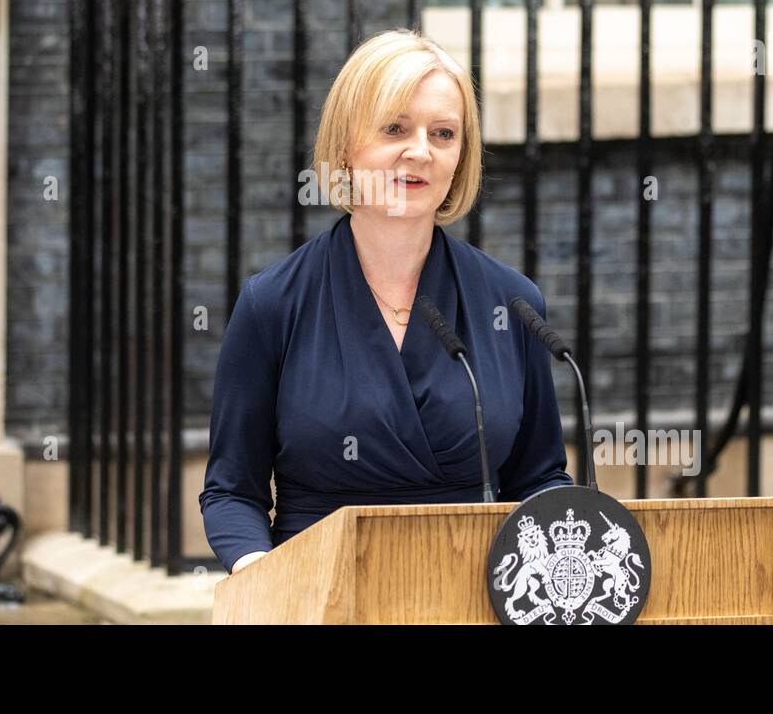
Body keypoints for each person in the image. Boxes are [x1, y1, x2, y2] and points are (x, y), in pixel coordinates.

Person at [198, 28, 574, 575]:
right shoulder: (273, 304)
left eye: (443, 134)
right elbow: (232, 491)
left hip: (476, 593)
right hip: (323, 595)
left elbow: (540, 479)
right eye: (395, 127)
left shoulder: (512, 303)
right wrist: (262, 578)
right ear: (347, 146)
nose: (419, 151)